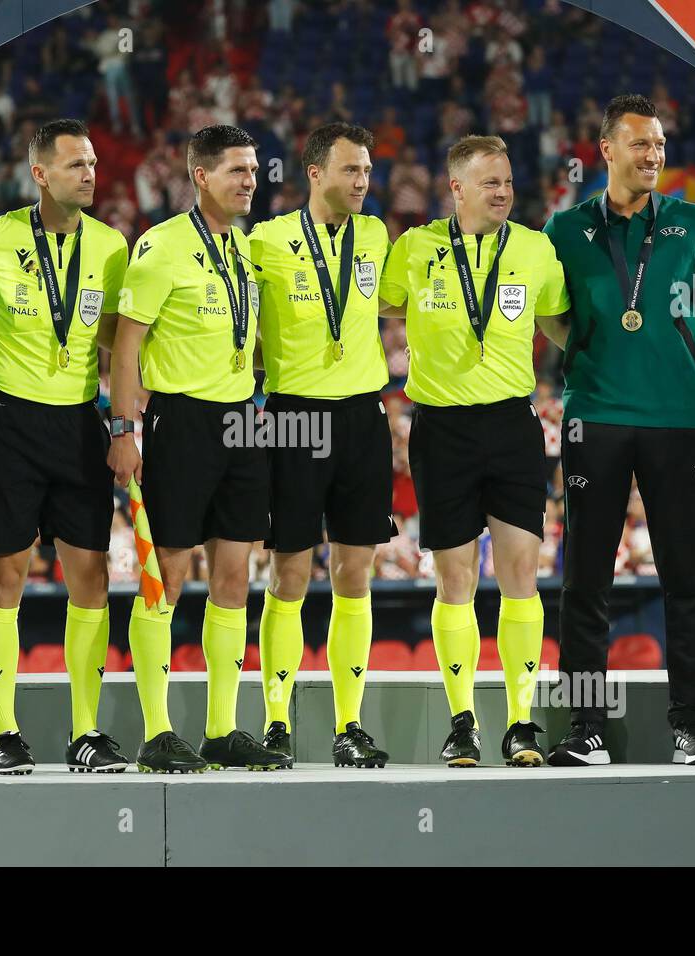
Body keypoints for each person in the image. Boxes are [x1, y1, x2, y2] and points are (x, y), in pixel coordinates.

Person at [543, 94, 695, 766]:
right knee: (585, 582)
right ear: (606, 150)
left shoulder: (694, 223)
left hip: (677, 418)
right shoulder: (565, 230)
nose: (653, 155)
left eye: (658, 144)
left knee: (687, 578)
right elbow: (546, 310)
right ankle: (586, 729)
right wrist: (575, 345)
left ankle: (694, 728)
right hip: (594, 416)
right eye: (639, 144)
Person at [379, 134, 571, 767]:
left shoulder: (536, 248)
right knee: (454, 579)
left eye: (508, 182)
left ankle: (521, 723)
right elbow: (372, 307)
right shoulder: (414, 249)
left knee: (521, 573)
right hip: (441, 429)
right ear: (456, 188)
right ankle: (462, 721)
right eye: (490, 183)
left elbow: (558, 323)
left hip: (514, 427)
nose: (504, 193)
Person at [109, 125, 289, 772]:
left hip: (243, 421)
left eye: (253, 169)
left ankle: (221, 728)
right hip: (179, 422)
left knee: (236, 576)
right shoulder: (160, 248)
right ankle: (157, 731)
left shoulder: (245, 249)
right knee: (168, 577)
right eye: (237, 170)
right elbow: (126, 346)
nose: (250, 180)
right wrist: (123, 430)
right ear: (201, 177)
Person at [0, 119, 131, 774]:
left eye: (92, 163)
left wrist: (122, 423)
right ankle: (5, 733)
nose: (89, 174)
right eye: (74, 166)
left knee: (91, 575)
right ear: (39, 174)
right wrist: (2, 349)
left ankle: (86, 733)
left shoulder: (113, 246)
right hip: (9, 424)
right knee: (6, 576)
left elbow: (118, 342)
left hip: (80, 423)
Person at [248, 122, 394, 768]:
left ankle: (348, 723)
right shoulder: (267, 241)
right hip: (292, 416)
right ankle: (277, 722)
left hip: (364, 418)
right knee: (289, 574)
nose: (362, 182)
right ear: (314, 172)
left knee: (354, 573)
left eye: (366, 171)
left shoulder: (377, 235)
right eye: (350, 171)